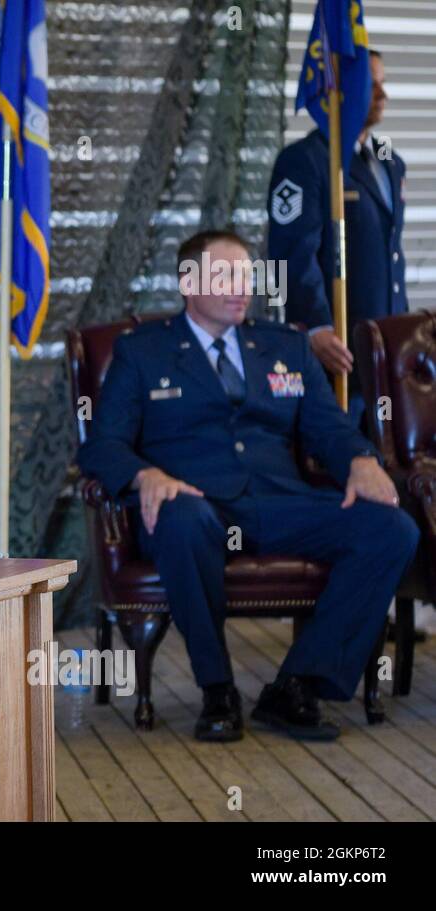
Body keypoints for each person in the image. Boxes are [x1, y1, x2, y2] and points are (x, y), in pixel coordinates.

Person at [77, 229, 417, 743]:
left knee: (392, 529)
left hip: (281, 503)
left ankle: (299, 684)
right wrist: (145, 475)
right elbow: (101, 446)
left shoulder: (285, 348)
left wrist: (361, 460)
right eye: (224, 275)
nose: (241, 287)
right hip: (194, 505)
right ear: (188, 282)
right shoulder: (143, 353)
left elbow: (327, 427)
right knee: (183, 520)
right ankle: (218, 691)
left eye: (245, 276)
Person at [268, 49, 406, 422]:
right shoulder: (305, 160)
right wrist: (315, 325)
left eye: (383, 84)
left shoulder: (389, 161)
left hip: (385, 340)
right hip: (338, 343)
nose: (383, 95)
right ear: (337, 92)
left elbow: (390, 253)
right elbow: (288, 254)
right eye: (371, 84)